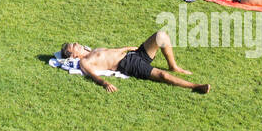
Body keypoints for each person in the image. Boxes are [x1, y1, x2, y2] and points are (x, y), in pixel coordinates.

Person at [60, 31, 209, 94]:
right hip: (128, 64)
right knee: (161, 75)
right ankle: (196, 87)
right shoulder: (85, 62)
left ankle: (174, 66)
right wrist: (105, 83)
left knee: (161, 36)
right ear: (73, 55)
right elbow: (93, 76)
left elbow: (112, 51)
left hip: (133, 54)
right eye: (75, 46)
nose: (78, 44)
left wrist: (128, 48)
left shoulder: (93, 50)